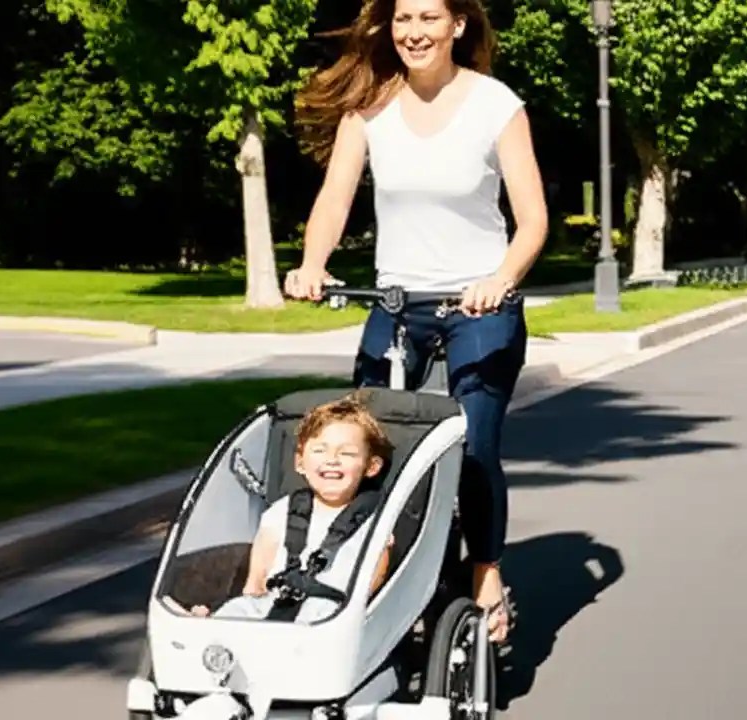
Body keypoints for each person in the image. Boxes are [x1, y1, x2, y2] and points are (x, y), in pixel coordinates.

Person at [283, 0, 549, 644]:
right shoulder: (369, 106)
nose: (414, 32)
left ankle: (485, 575)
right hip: (397, 302)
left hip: (477, 306)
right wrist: (312, 263)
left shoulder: (496, 106)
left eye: (429, 18)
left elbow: (534, 219)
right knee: (368, 446)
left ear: (458, 25)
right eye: (404, 19)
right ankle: (372, 576)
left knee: (476, 447)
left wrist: (500, 280)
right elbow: (336, 196)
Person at [163, 394, 396, 622]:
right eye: (319, 450)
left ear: (371, 467)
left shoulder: (374, 516)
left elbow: (378, 566)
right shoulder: (285, 509)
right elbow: (263, 558)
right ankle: (211, 625)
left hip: (332, 608)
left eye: (346, 453)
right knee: (239, 608)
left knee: (316, 618)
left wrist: (357, 608)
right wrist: (253, 588)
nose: (331, 459)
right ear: (300, 463)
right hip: (275, 598)